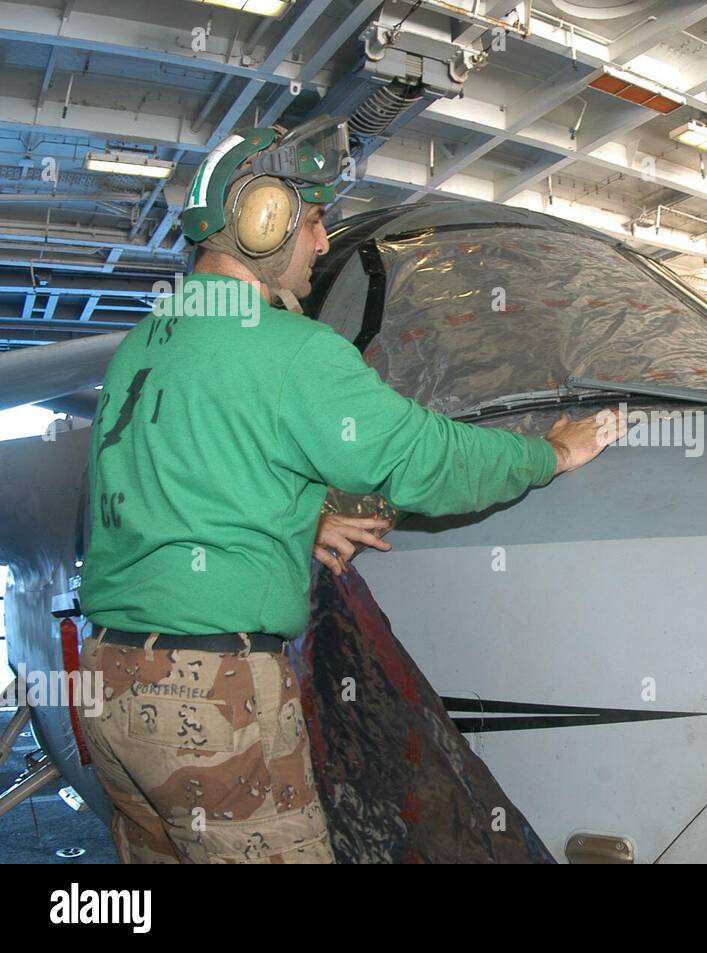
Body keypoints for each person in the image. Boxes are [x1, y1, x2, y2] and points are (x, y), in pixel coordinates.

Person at [78, 116, 621, 863]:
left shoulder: (149, 341)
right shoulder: (292, 350)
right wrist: (548, 453)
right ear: (263, 221)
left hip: (111, 686)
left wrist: (301, 521)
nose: (323, 243)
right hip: (211, 697)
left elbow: (163, 479)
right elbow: (426, 462)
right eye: (312, 220)